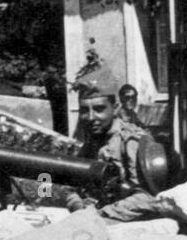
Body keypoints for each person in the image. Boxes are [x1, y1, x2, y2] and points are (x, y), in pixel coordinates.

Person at [65, 64, 173, 223]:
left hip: (127, 223)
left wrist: (100, 215)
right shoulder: (91, 142)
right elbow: (75, 187)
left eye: (99, 109)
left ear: (115, 108)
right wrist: (77, 205)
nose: (91, 117)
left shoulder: (131, 141)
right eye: (84, 111)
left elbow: (149, 197)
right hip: (95, 219)